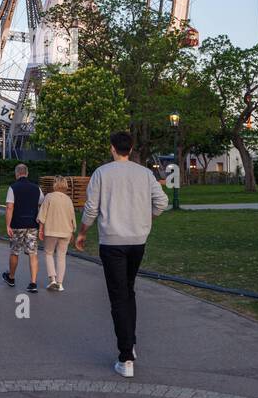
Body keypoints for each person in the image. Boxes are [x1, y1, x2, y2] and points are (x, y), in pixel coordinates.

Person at [75, 132, 168, 378]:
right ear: (131, 148)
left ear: (112, 148)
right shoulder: (145, 174)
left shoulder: (102, 173)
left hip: (112, 241)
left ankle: (125, 356)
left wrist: (82, 232)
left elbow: (91, 208)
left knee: (118, 296)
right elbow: (161, 202)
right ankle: (131, 342)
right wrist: (148, 218)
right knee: (128, 290)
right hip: (138, 240)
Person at [1, 163, 42, 293]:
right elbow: (42, 205)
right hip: (32, 225)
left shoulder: (13, 188)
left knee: (15, 251)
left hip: (17, 225)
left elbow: (9, 207)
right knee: (33, 253)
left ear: (16, 173)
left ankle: (11, 277)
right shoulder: (37, 188)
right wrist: (41, 224)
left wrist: (8, 225)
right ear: (27, 173)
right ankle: (33, 282)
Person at [38, 176, 77, 292]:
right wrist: (73, 231)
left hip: (51, 230)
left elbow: (42, 215)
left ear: (55, 184)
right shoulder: (68, 200)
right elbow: (72, 217)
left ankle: (52, 279)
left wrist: (40, 229)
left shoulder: (49, 197)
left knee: (49, 253)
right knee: (61, 256)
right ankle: (60, 283)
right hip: (66, 231)